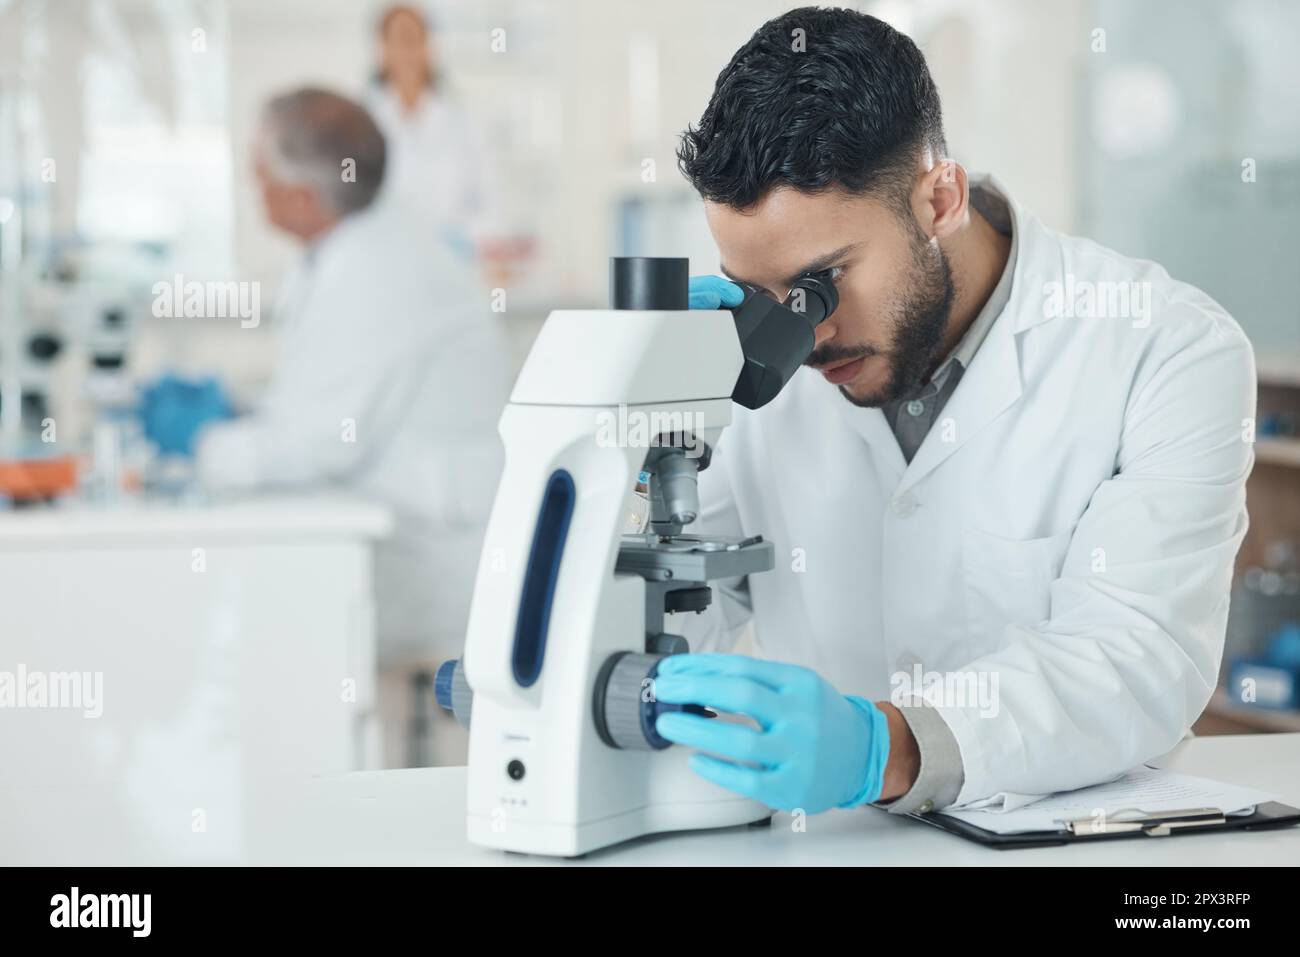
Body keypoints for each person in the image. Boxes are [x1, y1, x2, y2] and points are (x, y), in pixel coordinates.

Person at [650, 8, 1255, 817]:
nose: (804, 334)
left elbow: (1137, 656)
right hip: (826, 843)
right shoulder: (747, 371)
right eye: (761, 296)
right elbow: (672, 629)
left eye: (819, 283)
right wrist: (624, 421)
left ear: (940, 199)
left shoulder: (1165, 346)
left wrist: (889, 747)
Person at [144, 88, 510, 692]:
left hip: (428, 560)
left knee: (246, 638)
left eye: (259, 170)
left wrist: (202, 441)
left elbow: (322, 444)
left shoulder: (375, 269)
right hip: (410, 525)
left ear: (303, 196)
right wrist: (242, 412)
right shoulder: (362, 246)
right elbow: (330, 406)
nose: (252, 182)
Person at [363, 4, 504, 255]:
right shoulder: (362, 121)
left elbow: (491, 201)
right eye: (397, 40)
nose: (407, 50)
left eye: (414, 39)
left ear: (429, 47)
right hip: (384, 258)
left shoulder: (463, 121)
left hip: (451, 259)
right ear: (382, 49)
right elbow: (349, 199)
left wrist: (462, 239)